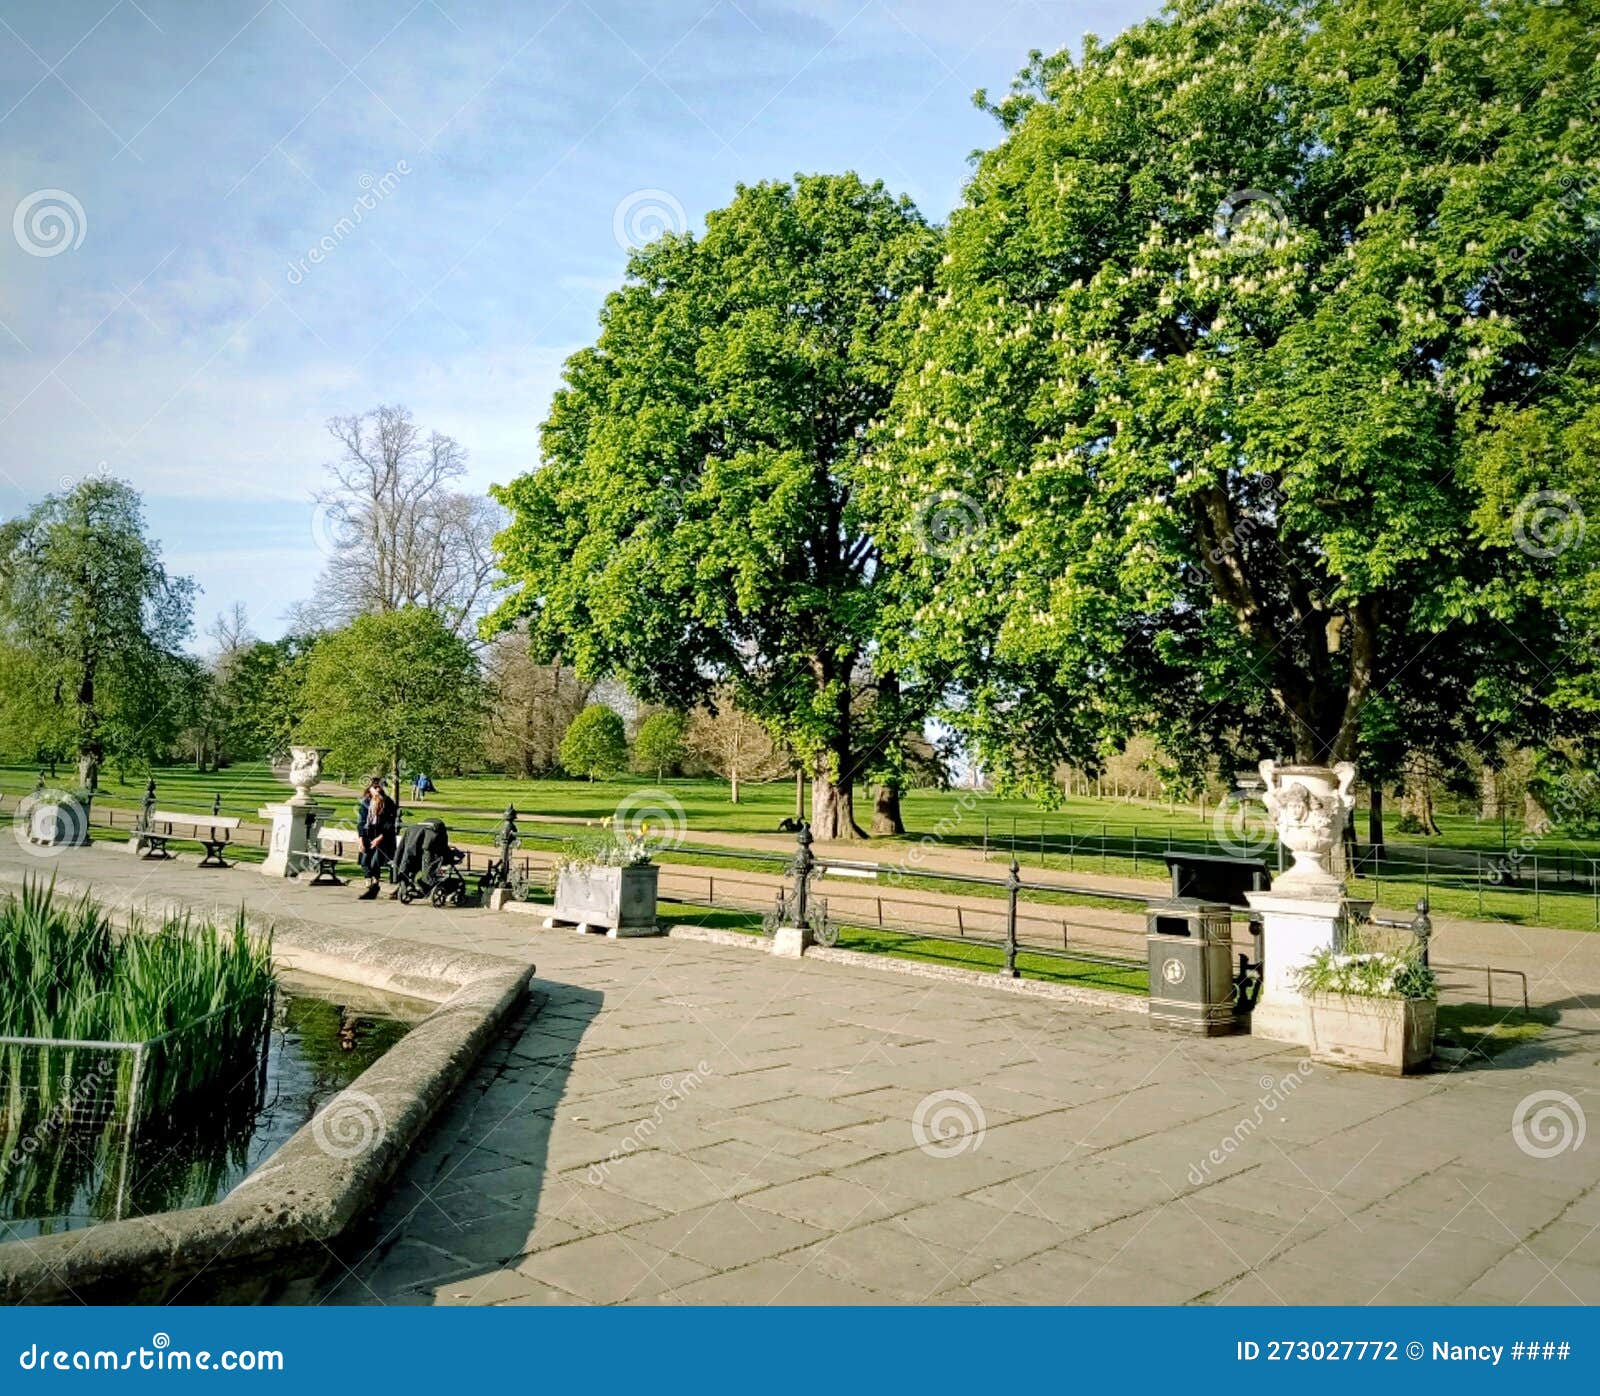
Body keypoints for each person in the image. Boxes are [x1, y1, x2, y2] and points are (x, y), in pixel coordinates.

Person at [356, 777, 398, 900]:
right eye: (375, 787)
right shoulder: (366, 803)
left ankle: (374, 885)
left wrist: (380, 837)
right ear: (370, 789)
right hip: (368, 837)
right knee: (364, 860)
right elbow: (361, 822)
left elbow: (390, 824)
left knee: (375, 861)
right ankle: (370, 884)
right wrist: (361, 839)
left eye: (380, 787)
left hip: (384, 839)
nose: (378, 790)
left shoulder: (388, 802)